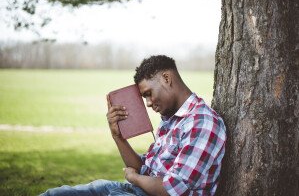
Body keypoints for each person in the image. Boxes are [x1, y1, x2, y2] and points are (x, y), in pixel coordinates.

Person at [41, 55, 226, 196]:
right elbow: (144, 168)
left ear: (167, 79)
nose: (147, 102)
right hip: (137, 191)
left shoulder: (202, 123)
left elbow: (173, 188)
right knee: (60, 193)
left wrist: (134, 178)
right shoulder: (171, 119)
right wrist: (118, 136)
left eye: (148, 93)